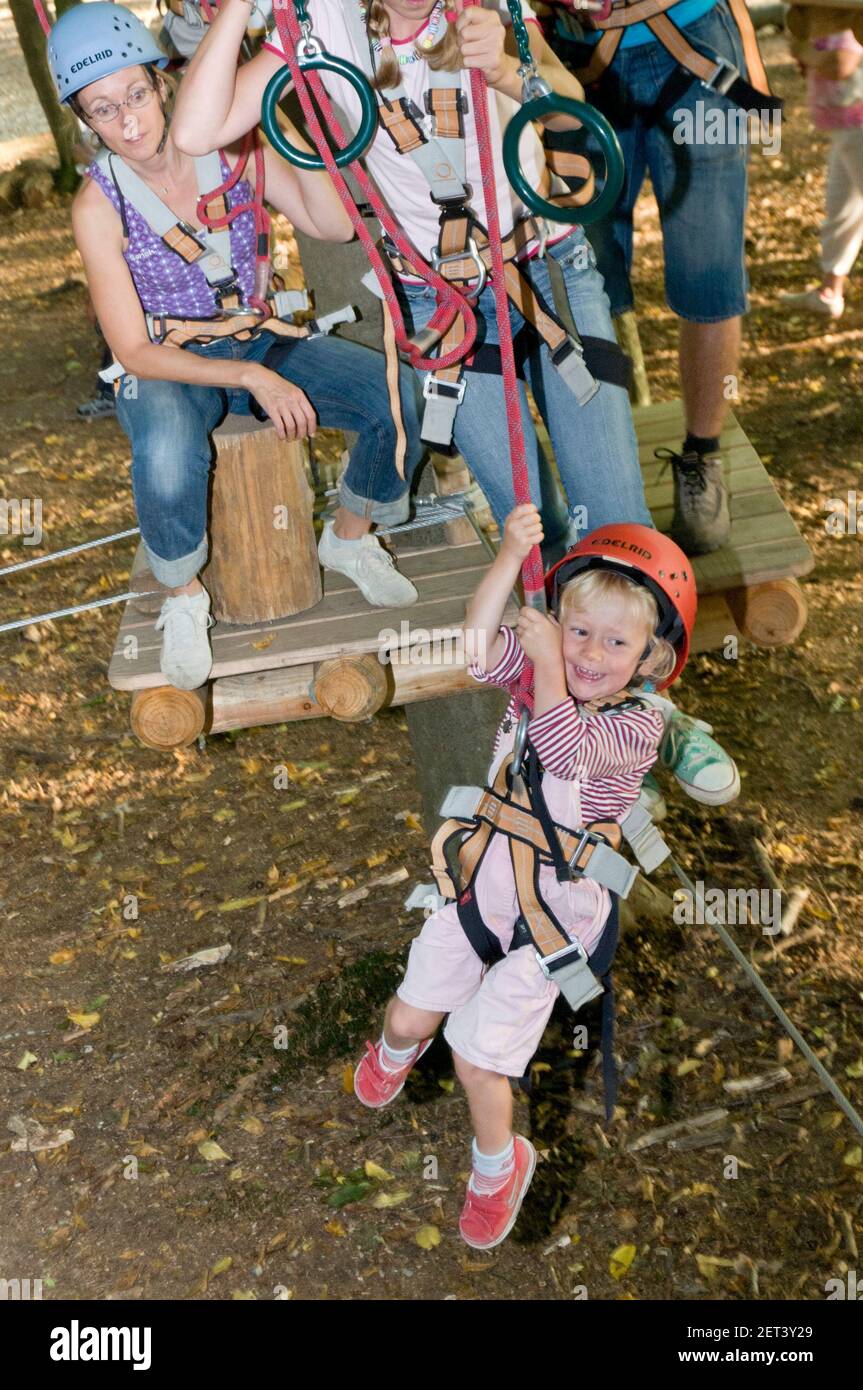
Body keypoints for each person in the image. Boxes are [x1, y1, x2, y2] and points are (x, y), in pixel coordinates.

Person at [173, 0, 740, 800]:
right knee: (526, 525)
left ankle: (645, 713)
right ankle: (576, 732)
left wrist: (510, 68)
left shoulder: (487, 9)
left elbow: (572, 114)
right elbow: (197, 131)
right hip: (442, 305)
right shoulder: (321, 28)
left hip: (546, 270)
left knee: (617, 522)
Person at [49, 2, 424, 692]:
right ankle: (183, 595)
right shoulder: (99, 207)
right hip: (169, 359)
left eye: (135, 94)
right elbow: (132, 349)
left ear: (163, 83)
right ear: (86, 121)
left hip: (253, 333)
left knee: (393, 396)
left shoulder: (236, 150)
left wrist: (286, 132)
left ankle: (347, 537)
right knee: (165, 451)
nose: (128, 121)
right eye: (103, 111)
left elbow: (332, 224)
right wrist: (254, 378)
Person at [353, 503, 694, 1248]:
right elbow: (476, 650)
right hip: (488, 880)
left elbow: (564, 749)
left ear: (648, 659)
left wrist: (544, 663)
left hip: (557, 917)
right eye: (576, 631)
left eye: (614, 641)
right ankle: (401, 1044)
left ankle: (495, 1165)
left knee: (478, 1058)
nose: (589, 653)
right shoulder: (544, 670)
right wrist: (508, 556)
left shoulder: (637, 722)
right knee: (411, 1015)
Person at [544, 0, 782, 555]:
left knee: (709, 272)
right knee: (583, 277)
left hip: (692, 39)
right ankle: (602, 478)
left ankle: (703, 454)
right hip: (576, 51)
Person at [781, 7, 863, 320]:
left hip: (858, 124)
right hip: (846, 126)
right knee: (843, 212)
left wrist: (807, 53)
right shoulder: (823, 17)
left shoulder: (847, 12)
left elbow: (842, 64)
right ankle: (830, 291)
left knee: (847, 210)